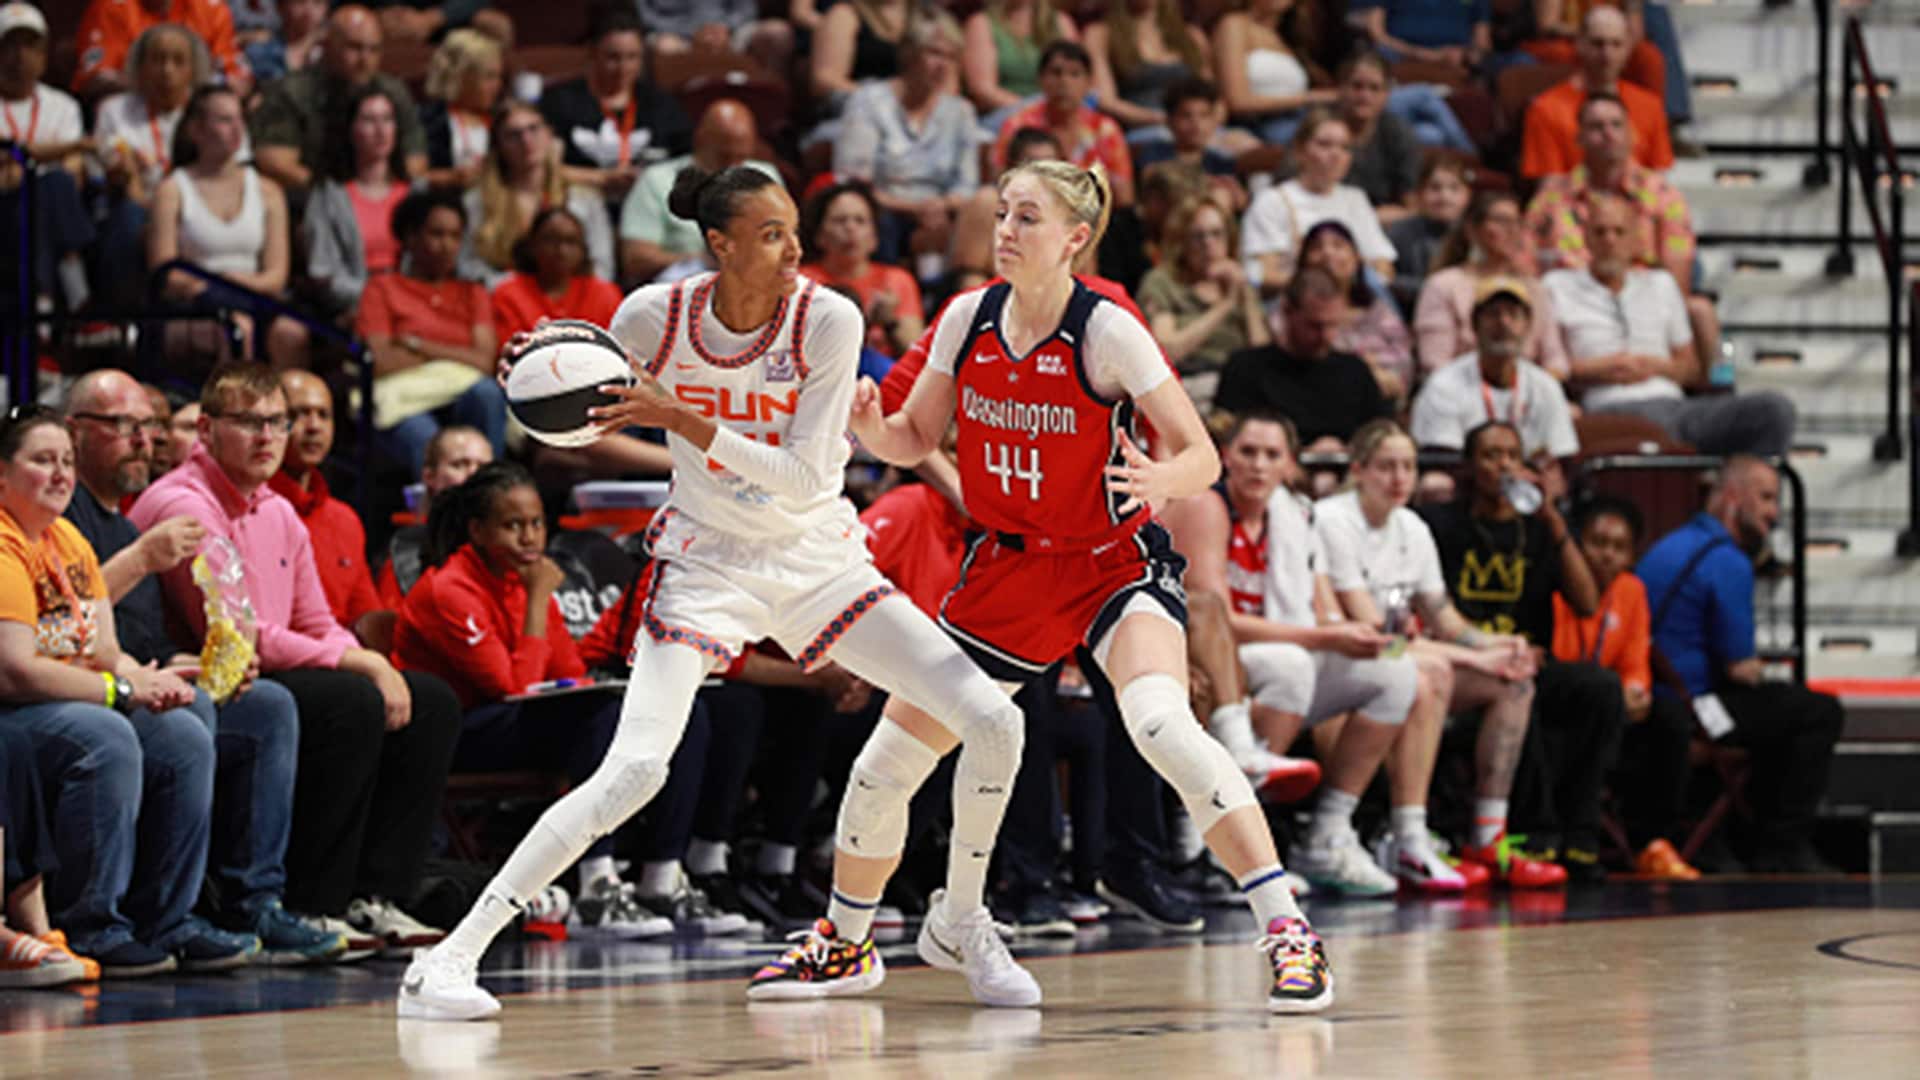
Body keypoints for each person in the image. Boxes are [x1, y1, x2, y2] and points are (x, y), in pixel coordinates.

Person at [398, 162, 1029, 1020]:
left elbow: (808, 479)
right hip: (705, 565)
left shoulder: (828, 318)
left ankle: (957, 919)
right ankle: (451, 958)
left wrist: (687, 420)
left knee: (994, 719)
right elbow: (586, 407)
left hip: (817, 559)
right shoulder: (653, 317)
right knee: (635, 770)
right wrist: (536, 367)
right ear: (719, 244)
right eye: (771, 235)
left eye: (795, 232)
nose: (795, 250)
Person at [815, 159, 1336, 1012]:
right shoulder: (965, 317)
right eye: (1003, 215)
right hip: (1010, 568)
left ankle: (1285, 928)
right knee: (887, 763)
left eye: (1028, 217)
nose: (1007, 231)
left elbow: (1201, 452)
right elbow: (914, 437)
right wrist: (874, 427)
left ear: (1075, 238)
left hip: (1108, 564)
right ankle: (843, 942)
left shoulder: (1108, 330)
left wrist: (1166, 482)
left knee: (1161, 723)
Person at [129, 362, 462, 957]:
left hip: (266, 667)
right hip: (208, 675)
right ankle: (312, 899)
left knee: (430, 701)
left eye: (276, 423)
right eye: (249, 423)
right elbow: (234, 634)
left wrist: (368, 662)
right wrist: (363, 665)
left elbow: (316, 622)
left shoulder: (277, 510)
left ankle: (377, 893)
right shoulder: (184, 504)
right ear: (205, 430)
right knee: (347, 699)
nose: (268, 438)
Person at [61, 370, 347, 964]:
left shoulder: (120, 518)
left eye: (148, 426)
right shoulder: (68, 522)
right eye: (122, 426)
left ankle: (252, 901)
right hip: (75, 689)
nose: (142, 440)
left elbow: (142, 632)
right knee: (184, 724)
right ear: (75, 435)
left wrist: (175, 661)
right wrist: (139, 567)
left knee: (268, 706)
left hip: (135, 675)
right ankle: (148, 917)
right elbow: (59, 626)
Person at [0, 404, 261, 976]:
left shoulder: (67, 539)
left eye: (66, 461)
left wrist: (148, 679)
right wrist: (120, 690)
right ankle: (91, 924)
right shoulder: (4, 542)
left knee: (183, 730)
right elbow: (16, 670)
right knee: (107, 735)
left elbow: (104, 648)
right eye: (43, 461)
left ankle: (169, 919)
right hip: (18, 711)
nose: (62, 474)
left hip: (77, 694)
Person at [1163, 410, 1462, 895]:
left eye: (1272, 455)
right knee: (1293, 666)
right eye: (1248, 452)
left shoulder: (1298, 515)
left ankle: (1328, 832)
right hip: (1212, 656)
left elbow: (1320, 611)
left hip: (1277, 652)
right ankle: (1225, 841)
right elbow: (1216, 621)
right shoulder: (1208, 508)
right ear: (1225, 458)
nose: (1259, 466)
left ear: (1290, 465)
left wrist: (1358, 634)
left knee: (1396, 675)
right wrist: (1327, 639)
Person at [390, 462, 677, 936]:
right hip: (454, 736)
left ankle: (662, 877)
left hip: (511, 721)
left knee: (650, 716)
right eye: (513, 525)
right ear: (478, 531)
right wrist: (541, 602)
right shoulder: (450, 589)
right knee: (596, 720)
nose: (529, 538)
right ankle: (596, 884)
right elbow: (512, 687)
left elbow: (567, 673)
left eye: (537, 523)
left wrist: (537, 603)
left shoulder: (524, 577)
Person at [1315, 420, 1565, 888]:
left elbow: (1445, 618)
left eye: (1408, 466)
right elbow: (1376, 634)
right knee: (1433, 673)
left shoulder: (1412, 525)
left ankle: (1489, 834)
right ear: (1359, 470)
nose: (1399, 478)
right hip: (1342, 661)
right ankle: (1408, 833)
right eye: (1386, 466)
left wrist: (1500, 646)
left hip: (1399, 658)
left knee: (1514, 681)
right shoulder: (1333, 519)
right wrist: (1473, 659)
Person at [1419, 421, 1619, 882]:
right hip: (1466, 664)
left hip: (1531, 660)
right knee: (1513, 684)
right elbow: (1432, 612)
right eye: (1491, 455)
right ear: (1470, 467)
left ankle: (1582, 838)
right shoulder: (1443, 524)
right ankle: (1531, 837)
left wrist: (1553, 517)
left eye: (1512, 455)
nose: (1503, 465)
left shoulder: (1539, 529)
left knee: (1599, 690)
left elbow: (1588, 603)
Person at [1636, 457, 1845, 874]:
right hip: (1697, 709)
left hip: (1661, 701)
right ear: (1732, 497)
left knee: (1777, 708)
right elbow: (1740, 669)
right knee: (1818, 711)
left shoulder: (1670, 544)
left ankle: (1727, 836)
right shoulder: (1727, 560)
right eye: (1766, 498)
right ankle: (1782, 845)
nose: (1775, 513)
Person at [1547, 192, 1794, 455]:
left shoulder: (1662, 284)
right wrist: (1600, 369)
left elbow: (1691, 369)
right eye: (1600, 232)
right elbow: (1548, 367)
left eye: (1619, 232)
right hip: (1608, 411)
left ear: (1635, 240)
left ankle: (1738, 488)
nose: (1610, 241)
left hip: (1677, 407)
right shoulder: (1557, 285)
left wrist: (1657, 367)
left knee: (1775, 408)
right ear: (1585, 239)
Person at [1553, 494, 1700, 879]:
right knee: (1596, 700)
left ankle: (1653, 842)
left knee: (1669, 718)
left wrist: (1636, 689)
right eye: (1597, 543)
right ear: (1577, 544)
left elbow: (1636, 660)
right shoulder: (1558, 584)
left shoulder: (1631, 590)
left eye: (1619, 547)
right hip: (1566, 703)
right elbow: (1558, 654)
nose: (1606, 555)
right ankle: (1571, 839)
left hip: (1612, 701)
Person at [1526, 92, 1715, 367]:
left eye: (1616, 125)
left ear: (1632, 135)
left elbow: (1677, 276)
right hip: (1569, 306)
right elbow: (1525, 268)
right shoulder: (1551, 200)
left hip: (1644, 298)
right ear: (1578, 138)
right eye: (1596, 127)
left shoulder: (1663, 195)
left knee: (1700, 311)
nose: (1608, 134)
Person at [148, 84, 305, 369]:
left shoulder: (268, 191)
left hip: (252, 293)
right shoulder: (172, 189)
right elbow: (164, 271)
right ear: (196, 130)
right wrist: (207, 286)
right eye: (224, 120)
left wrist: (234, 281)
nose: (236, 129)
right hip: (194, 302)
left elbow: (276, 275)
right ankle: (236, 412)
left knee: (290, 332)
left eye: (239, 119)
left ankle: (288, 406)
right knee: (236, 329)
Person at [357, 189, 505, 473]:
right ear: (411, 238)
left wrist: (416, 345)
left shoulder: (473, 293)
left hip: (464, 397)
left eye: (454, 236)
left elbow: (485, 362)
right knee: (430, 443)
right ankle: (434, 512)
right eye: (436, 234)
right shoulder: (382, 288)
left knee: (487, 395)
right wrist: (458, 355)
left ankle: (491, 496)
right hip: (406, 399)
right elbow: (381, 362)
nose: (447, 245)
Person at [831, 11, 978, 269]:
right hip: (885, 209)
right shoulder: (868, 102)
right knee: (879, 224)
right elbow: (854, 182)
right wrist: (915, 209)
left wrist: (939, 206)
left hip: (941, 215)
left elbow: (967, 186)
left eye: (951, 56)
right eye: (934, 53)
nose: (943, 65)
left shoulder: (961, 112)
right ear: (909, 54)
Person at [249, 4, 427, 200]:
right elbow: (275, 162)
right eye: (354, 47)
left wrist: (369, 194)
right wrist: (342, 197)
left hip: (380, 199)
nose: (365, 59)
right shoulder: (292, 92)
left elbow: (415, 162)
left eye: (374, 49)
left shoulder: (392, 93)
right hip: (309, 202)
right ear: (327, 46)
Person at [1215, 267, 1391, 450]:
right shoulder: (1246, 368)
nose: (1325, 336)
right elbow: (1228, 439)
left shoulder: (1355, 371)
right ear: (1287, 312)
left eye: (1333, 325)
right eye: (1314, 325)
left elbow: (1379, 437)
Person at [1410, 276, 1580, 462]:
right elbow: (1442, 459)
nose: (1504, 323)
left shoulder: (1545, 386)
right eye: (1493, 314)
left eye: (1513, 314)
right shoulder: (1444, 385)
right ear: (1474, 324)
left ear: (1528, 325)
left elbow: (1561, 455)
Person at [537, 4, 691, 204]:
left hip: (649, 202)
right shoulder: (560, 101)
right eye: (613, 58)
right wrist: (602, 178)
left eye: (632, 57)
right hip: (581, 199)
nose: (623, 68)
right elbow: (541, 167)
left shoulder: (660, 104)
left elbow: (687, 163)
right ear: (593, 53)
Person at [268, 371, 383, 630]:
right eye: (298, 414)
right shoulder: (250, 509)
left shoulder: (345, 519)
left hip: (343, 656)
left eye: (323, 415)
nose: (314, 427)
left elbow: (365, 615)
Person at [620, 99, 777, 286]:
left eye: (741, 157)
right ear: (700, 140)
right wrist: (700, 260)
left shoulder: (766, 176)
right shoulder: (657, 180)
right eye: (724, 157)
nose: (733, 168)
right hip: (684, 284)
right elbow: (635, 258)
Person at [1240, 109, 1395, 296]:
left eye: (1344, 147)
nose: (1336, 154)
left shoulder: (1356, 199)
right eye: (1325, 145)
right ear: (1300, 150)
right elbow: (1264, 274)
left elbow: (1383, 267)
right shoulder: (1272, 201)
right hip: (1295, 299)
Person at [1414, 190, 1569, 378]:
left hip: (1526, 393)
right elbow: (1435, 362)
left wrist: (1535, 390)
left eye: (1517, 222)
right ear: (1472, 229)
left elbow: (1556, 360)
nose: (1512, 230)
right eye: (1501, 221)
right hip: (1462, 391)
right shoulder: (1443, 285)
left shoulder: (1535, 289)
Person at [460, 102, 614, 287]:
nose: (526, 141)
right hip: (504, 299)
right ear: (497, 146)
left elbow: (602, 267)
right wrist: (506, 286)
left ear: (549, 135)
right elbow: (467, 264)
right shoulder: (477, 201)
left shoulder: (585, 199)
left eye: (533, 129)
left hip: (573, 300)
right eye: (513, 135)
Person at [301, 83, 415, 318]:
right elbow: (323, 272)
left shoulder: (415, 193)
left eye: (387, 119)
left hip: (413, 304)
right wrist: (379, 297)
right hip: (353, 307)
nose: (380, 130)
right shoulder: (327, 195)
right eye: (369, 120)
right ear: (350, 129)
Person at [1521, 6, 1672, 180]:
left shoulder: (1650, 107)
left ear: (1628, 48)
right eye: (1597, 43)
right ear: (1579, 44)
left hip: (1639, 202)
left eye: (1616, 44)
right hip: (1571, 203)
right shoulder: (1545, 109)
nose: (1607, 54)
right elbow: (1549, 188)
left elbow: (1659, 181)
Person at [990, 42, 1135, 208]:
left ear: (1089, 83)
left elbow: (1124, 199)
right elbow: (999, 185)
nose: (1064, 81)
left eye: (1075, 74)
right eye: (1056, 73)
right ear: (1041, 79)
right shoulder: (1017, 125)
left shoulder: (1106, 130)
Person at [1139, 194, 1268, 376]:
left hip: (1239, 381)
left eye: (1216, 234)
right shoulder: (1163, 283)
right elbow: (1167, 352)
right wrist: (1225, 305)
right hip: (1190, 379)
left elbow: (1262, 355)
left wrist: (1245, 294)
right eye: (1198, 236)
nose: (1208, 244)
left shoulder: (1238, 281)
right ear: (1181, 242)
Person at [1286, 219, 1413, 404]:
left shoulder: (1379, 311)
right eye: (1316, 248)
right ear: (1303, 262)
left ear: (1356, 259)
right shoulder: (1289, 311)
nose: (1327, 253)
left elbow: (1401, 371)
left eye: (1338, 245)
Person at [800, 181, 926, 358]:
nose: (851, 228)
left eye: (860, 221)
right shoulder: (801, 281)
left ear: (874, 238)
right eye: (839, 220)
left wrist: (889, 323)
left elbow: (915, 355)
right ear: (819, 236)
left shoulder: (897, 280)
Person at [375, 425, 492, 608]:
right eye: (459, 464)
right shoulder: (404, 555)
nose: (473, 474)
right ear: (429, 476)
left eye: (483, 467)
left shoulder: (507, 547)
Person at [490, 207, 625, 344]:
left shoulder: (605, 295)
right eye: (551, 240)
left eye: (571, 241)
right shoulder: (508, 293)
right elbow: (511, 349)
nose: (561, 250)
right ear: (532, 245)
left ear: (583, 250)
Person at [1211, 0, 1336, 145]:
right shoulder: (1235, 24)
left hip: (1298, 121)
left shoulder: (1287, 39)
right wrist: (1311, 98)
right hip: (1259, 127)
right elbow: (1237, 101)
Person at [1080, 0, 1214, 133]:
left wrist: (1209, 121)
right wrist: (1161, 119)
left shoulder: (1192, 35)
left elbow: (1214, 96)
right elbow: (1105, 100)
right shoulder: (1101, 34)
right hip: (1143, 128)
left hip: (1196, 128)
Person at [74, 0, 250, 100]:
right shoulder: (113, 6)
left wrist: (183, 89)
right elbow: (95, 79)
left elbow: (239, 80)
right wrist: (160, 88)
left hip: (199, 111)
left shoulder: (210, 8)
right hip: (133, 109)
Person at [0, 3, 86, 179]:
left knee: (72, 167)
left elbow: (71, 163)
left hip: (50, 195)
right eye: (12, 44)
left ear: (44, 55)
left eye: (30, 45)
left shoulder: (64, 107)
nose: (21, 54)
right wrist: (77, 145)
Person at [1332, 52, 1419, 223]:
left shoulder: (1398, 133)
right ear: (1341, 89)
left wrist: (1364, 220)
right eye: (1357, 86)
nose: (1365, 96)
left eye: (1374, 88)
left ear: (1386, 94)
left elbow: (1412, 207)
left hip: (1383, 225)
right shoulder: (1320, 127)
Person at [962, 0, 1077, 123]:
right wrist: (1032, 110)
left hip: (1057, 112)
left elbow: (1076, 75)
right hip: (1005, 114)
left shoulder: (1062, 23)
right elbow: (983, 89)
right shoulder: (982, 23)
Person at [418, 29, 503, 192]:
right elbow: (411, 178)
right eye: (489, 77)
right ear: (461, 77)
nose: (498, 85)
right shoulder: (428, 120)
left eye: (499, 76)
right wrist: (450, 178)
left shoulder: (502, 118)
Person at [1385, 154, 1470, 312]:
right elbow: (1385, 279)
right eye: (1435, 188)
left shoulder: (1474, 234)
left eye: (1454, 188)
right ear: (1419, 193)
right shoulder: (1400, 231)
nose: (1444, 197)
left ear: (1467, 196)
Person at [812, 0, 932, 111]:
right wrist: (881, 99)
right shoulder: (845, 14)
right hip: (856, 115)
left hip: (916, 120)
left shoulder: (928, 20)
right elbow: (825, 80)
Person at [239, 0, 327, 84]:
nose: (309, 12)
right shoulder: (260, 50)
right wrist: (307, 43)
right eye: (299, 2)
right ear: (280, 7)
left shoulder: (331, 48)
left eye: (318, 2)